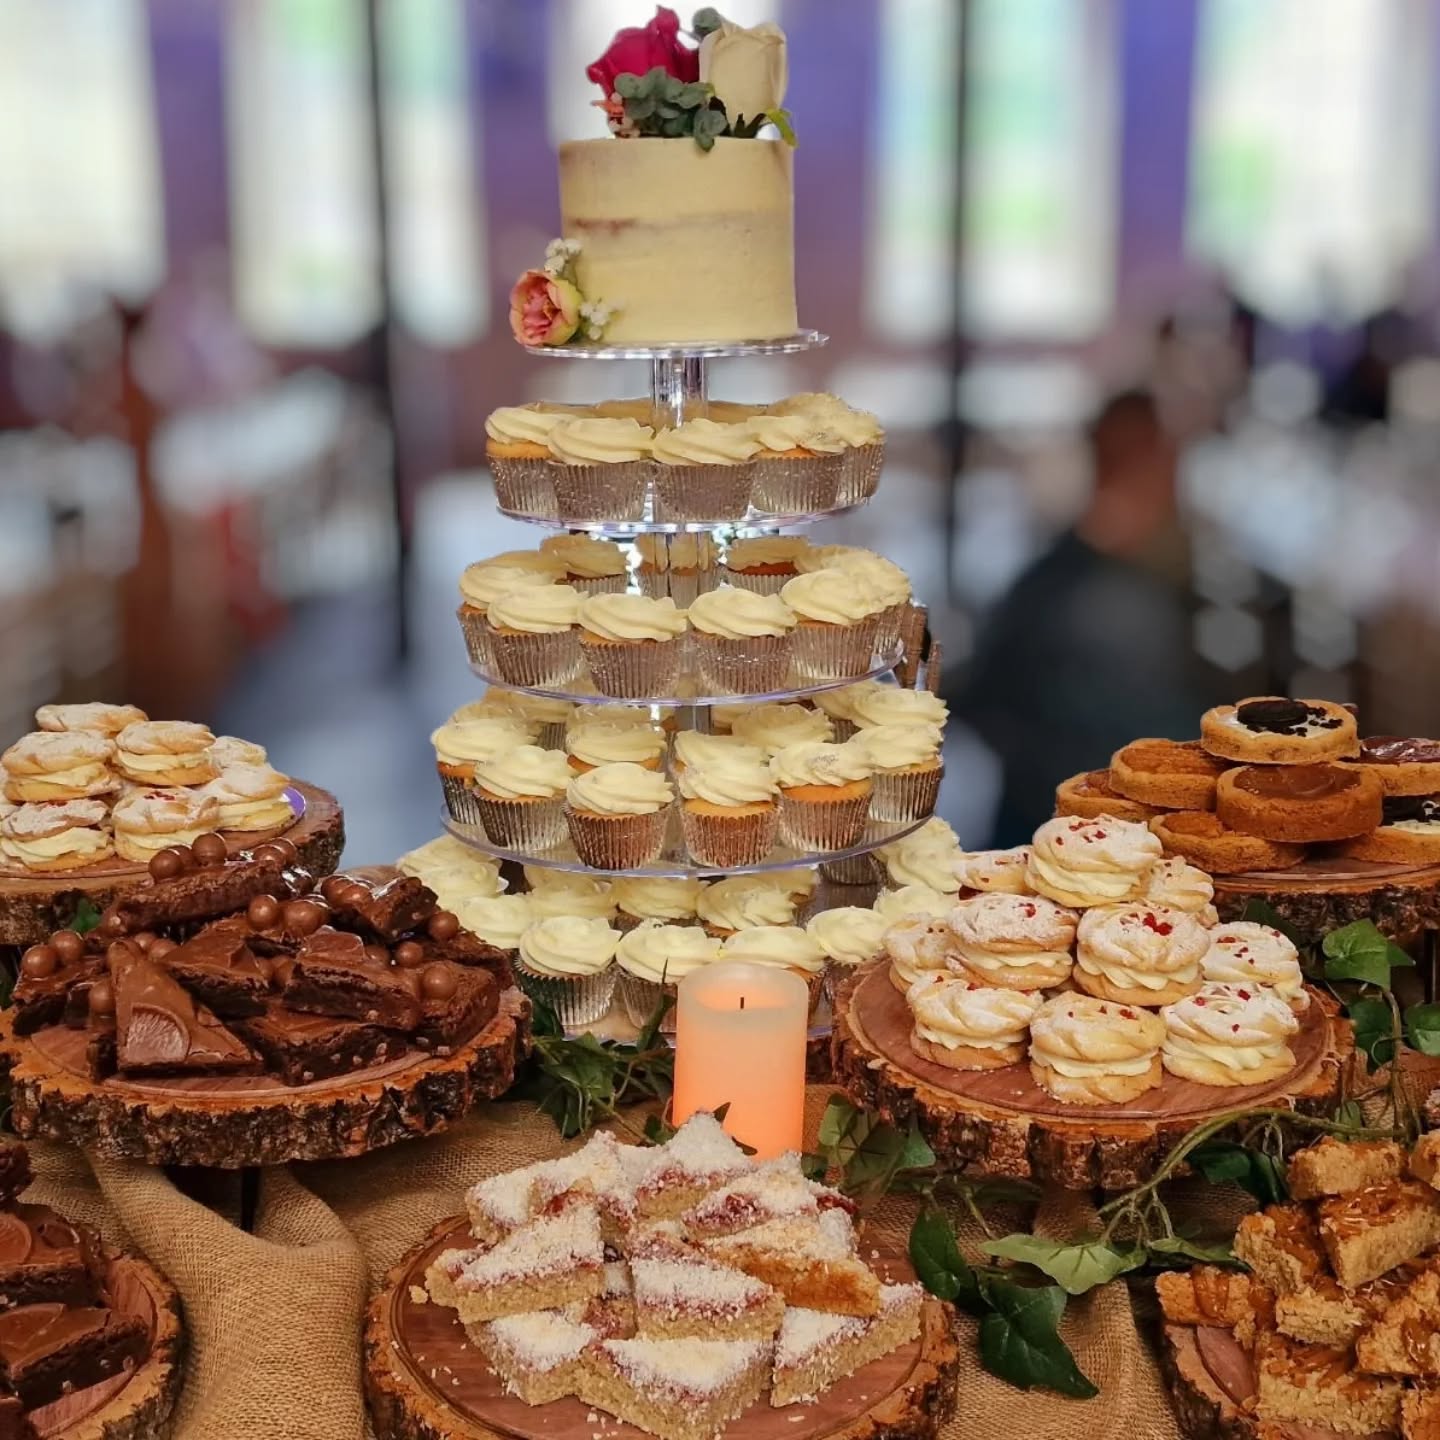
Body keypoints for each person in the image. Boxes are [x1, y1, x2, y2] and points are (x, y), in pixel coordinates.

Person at [946, 390, 1225, 845]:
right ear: (1150, 463)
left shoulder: (1056, 577)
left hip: (1055, 826)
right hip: (1078, 835)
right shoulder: (1101, 599)